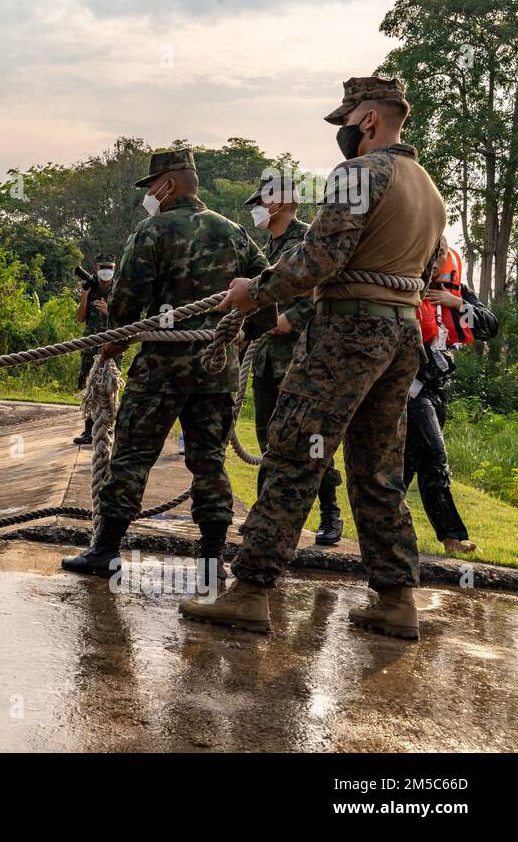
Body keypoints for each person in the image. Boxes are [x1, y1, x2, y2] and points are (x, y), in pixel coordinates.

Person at [181, 76, 445, 640]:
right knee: (377, 466)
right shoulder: (429, 189)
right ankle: (397, 600)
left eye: (346, 122)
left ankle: (251, 590)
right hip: (399, 336)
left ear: (367, 119)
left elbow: (320, 256)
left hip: (348, 330)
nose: (342, 134)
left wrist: (255, 289)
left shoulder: (358, 174)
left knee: (296, 449)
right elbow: (424, 276)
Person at [61, 149, 268, 582]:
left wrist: (113, 345)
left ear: (168, 185)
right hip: (217, 369)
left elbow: (125, 303)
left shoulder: (152, 231)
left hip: (162, 369)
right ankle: (212, 558)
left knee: (133, 456)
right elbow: (266, 293)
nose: (149, 196)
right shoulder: (234, 233)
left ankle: (106, 550)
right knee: (209, 460)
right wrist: (243, 331)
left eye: (151, 187)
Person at [243, 177, 345, 545]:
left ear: (280, 203)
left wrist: (292, 319)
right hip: (267, 360)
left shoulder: (307, 240)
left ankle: (331, 513)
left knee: (311, 441)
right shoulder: (266, 248)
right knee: (269, 440)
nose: (256, 208)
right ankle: (264, 514)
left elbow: (324, 290)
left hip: (304, 362)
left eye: (260, 201)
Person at [405, 240, 498, 555]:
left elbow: (490, 327)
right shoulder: (403, 281)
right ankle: (451, 536)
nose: (437, 261)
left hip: (436, 389)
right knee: (435, 456)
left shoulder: (454, 290)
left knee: (411, 463)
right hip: (408, 388)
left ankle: (387, 528)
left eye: (441, 255)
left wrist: (455, 303)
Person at [74, 253, 116, 445]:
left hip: (112, 343)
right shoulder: (90, 288)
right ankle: (89, 429)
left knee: (109, 385)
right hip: (90, 344)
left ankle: (107, 427)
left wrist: (109, 312)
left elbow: (127, 321)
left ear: (114, 270)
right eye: (102, 268)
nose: (106, 271)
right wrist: (84, 295)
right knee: (88, 385)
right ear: (96, 269)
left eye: (110, 268)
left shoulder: (119, 290)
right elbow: (80, 318)